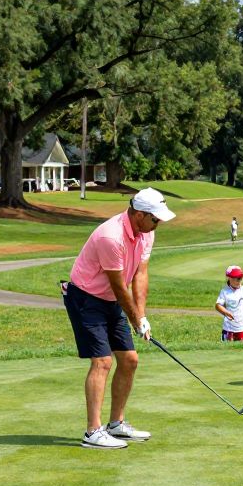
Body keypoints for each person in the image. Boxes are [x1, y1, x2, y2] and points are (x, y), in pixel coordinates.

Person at [63, 187, 175, 449]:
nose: (158, 224)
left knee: (129, 360)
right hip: (87, 299)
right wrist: (135, 319)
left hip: (112, 300)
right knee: (102, 361)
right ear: (139, 214)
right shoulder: (111, 237)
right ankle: (92, 432)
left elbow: (140, 274)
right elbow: (118, 286)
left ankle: (116, 424)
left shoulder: (146, 233)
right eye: (155, 219)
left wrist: (142, 315)